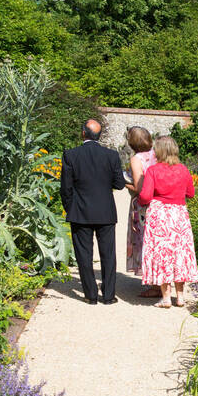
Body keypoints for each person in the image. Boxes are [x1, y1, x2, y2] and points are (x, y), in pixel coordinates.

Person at [60, 118, 125, 304]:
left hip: (80, 212)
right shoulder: (111, 155)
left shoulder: (71, 155)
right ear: (99, 135)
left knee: (84, 254)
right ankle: (109, 295)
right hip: (105, 212)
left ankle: (90, 295)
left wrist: (70, 207)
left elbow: (66, 188)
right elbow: (119, 184)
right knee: (108, 254)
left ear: (83, 133)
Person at [136, 134, 198, 308]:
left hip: (159, 214)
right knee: (179, 253)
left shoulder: (153, 170)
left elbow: (145, 196)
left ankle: (166, 298)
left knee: (161, 254)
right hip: (179, 214)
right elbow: (191, 193)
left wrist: (141, 200)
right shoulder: (183, 169)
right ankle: (180, 297)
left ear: (159, 151)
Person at [122, 126, 158, 295]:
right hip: (158, 202)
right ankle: (159, 282)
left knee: (144, 240)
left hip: (143, 206)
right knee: (156, 242)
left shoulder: (137, 159)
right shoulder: (157, 154)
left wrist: (123, 182)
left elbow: (139, 187)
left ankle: (155, 286)